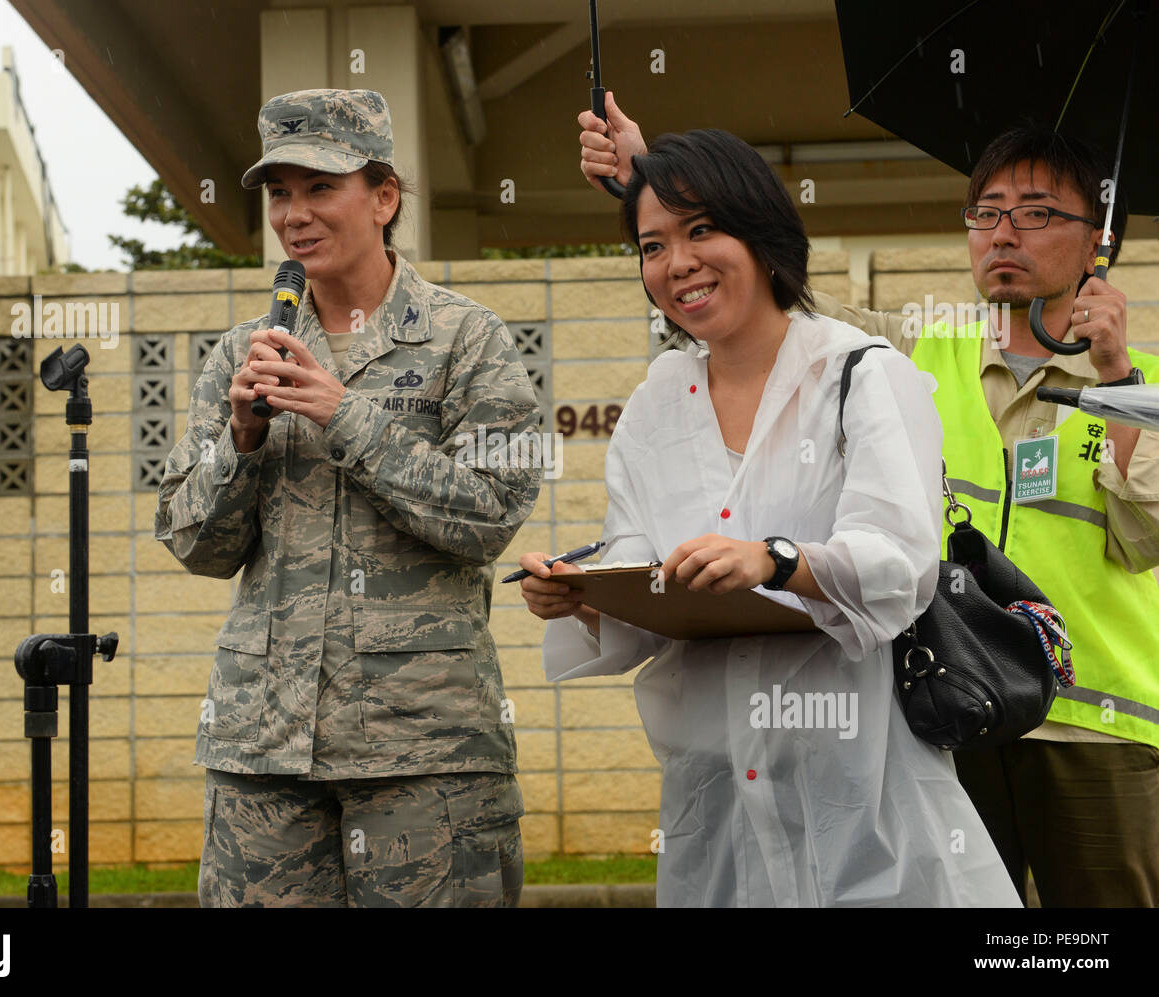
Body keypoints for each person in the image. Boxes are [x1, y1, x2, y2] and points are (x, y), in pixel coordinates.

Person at [580, 97, 1159, 907]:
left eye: (1034, 214)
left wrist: (1118, 372)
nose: (1001, 234)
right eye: (985, 212)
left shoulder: (1142, 383)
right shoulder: (916, 350)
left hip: (1093, 722)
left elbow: (1146, 540)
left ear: (1099, 236)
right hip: (953, 698)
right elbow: (770, 302)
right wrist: (657, 178)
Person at [521, 127, 1020, 907]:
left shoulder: (862, 374)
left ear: (763, 236)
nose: (676, 263)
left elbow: (900, 561)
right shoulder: (654, 404)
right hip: (716, 809)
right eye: (652, 246)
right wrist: (586, 595)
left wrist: (776, 560)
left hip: (863, 801)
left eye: (701, 230)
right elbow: (643, 562)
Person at [155, 88, 542, 907]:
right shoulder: (242, 353)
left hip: (424, 753)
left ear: (384, 196)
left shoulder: (467, 338)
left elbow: (489, 515)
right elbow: (195, 543)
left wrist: (345, 414)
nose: (295, 214)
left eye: (320, 187)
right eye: (279, 193)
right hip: (264, 750)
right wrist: (243, 443)